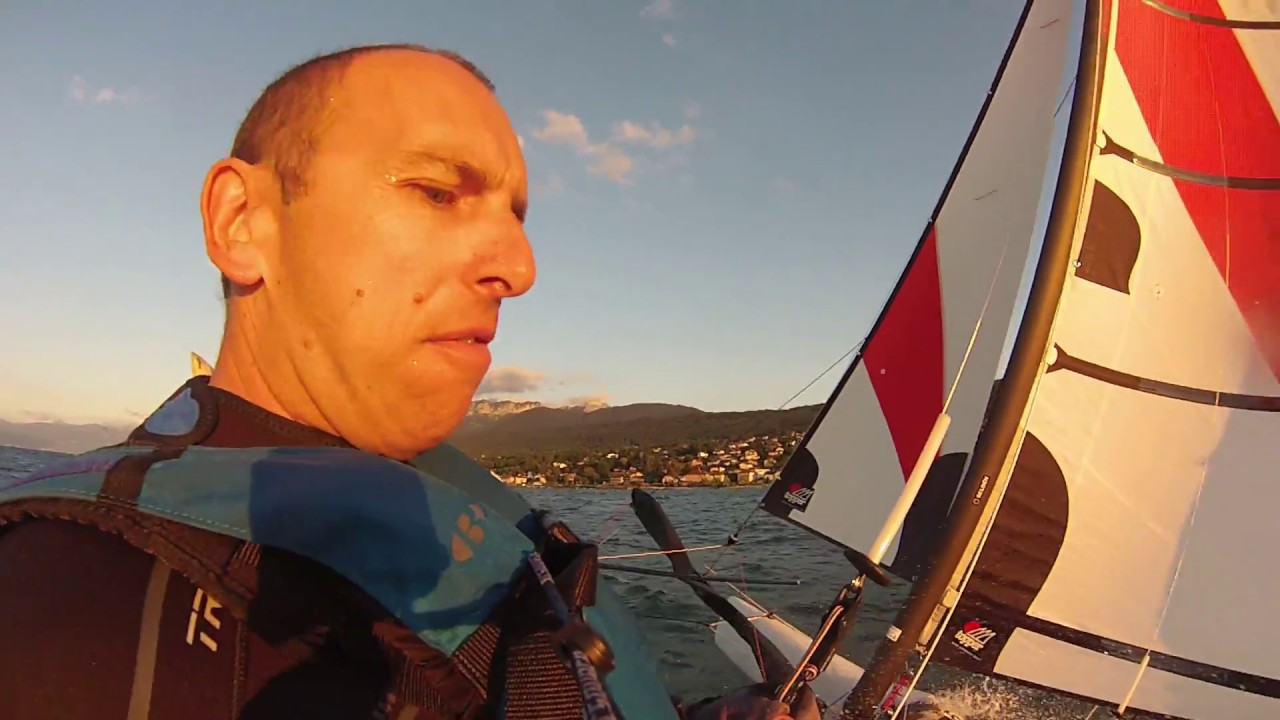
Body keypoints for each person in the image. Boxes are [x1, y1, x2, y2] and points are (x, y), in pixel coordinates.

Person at [0, 44, 818, 720]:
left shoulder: (440, 500)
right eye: (435, 191)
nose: (519, 269)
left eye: (516, 218)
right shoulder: (59, 622)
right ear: (242, 225)